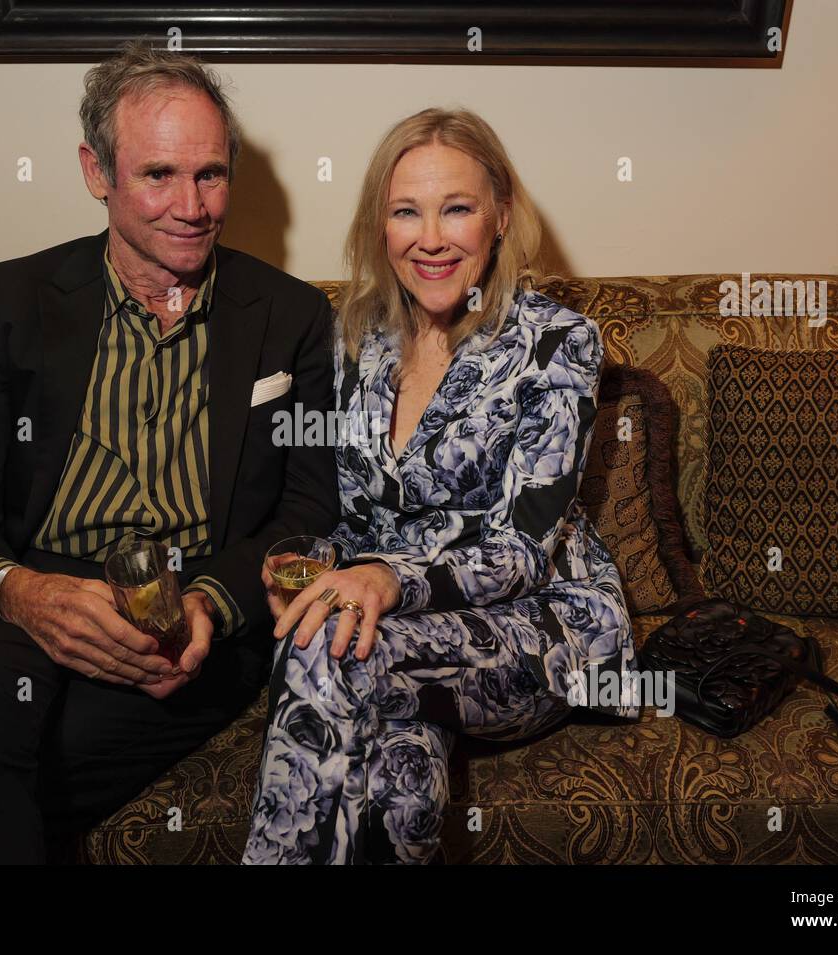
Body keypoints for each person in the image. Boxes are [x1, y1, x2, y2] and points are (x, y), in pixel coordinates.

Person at [0, 41, 337, 863]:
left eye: (212, 174)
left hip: (195, 614)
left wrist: (208, 606)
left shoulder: (292, 316)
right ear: (98, 172)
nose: (192, 206)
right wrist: (23, 594)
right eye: (158, 174)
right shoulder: (9, 299)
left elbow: (308, 509)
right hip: (43, 583)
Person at [242, 107, 639, 865]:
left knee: (336, 647)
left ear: (501, 216)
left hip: (539, 623)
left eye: (456, 208)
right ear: (379, 226)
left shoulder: (558, 343)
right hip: (398, 632)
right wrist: (320, 569)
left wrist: (386, 579)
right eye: (405, 212)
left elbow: (522, 549)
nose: (430, 237)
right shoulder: (351, 335)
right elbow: (350, 516)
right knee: (397, 751)